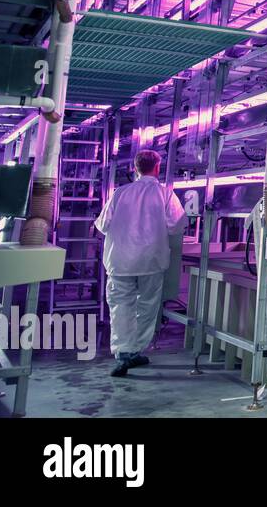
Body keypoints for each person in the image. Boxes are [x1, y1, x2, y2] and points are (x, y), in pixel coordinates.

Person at [95, 149, 187, 377]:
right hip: (151, 261)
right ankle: (136, 351)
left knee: (120, 307)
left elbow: (102, 225)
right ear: (157, 167)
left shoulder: (119, 193)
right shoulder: (166, 194)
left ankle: (123, 353)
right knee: (147, 306)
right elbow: (177, 225)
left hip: (120, 261)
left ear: (135, 168)